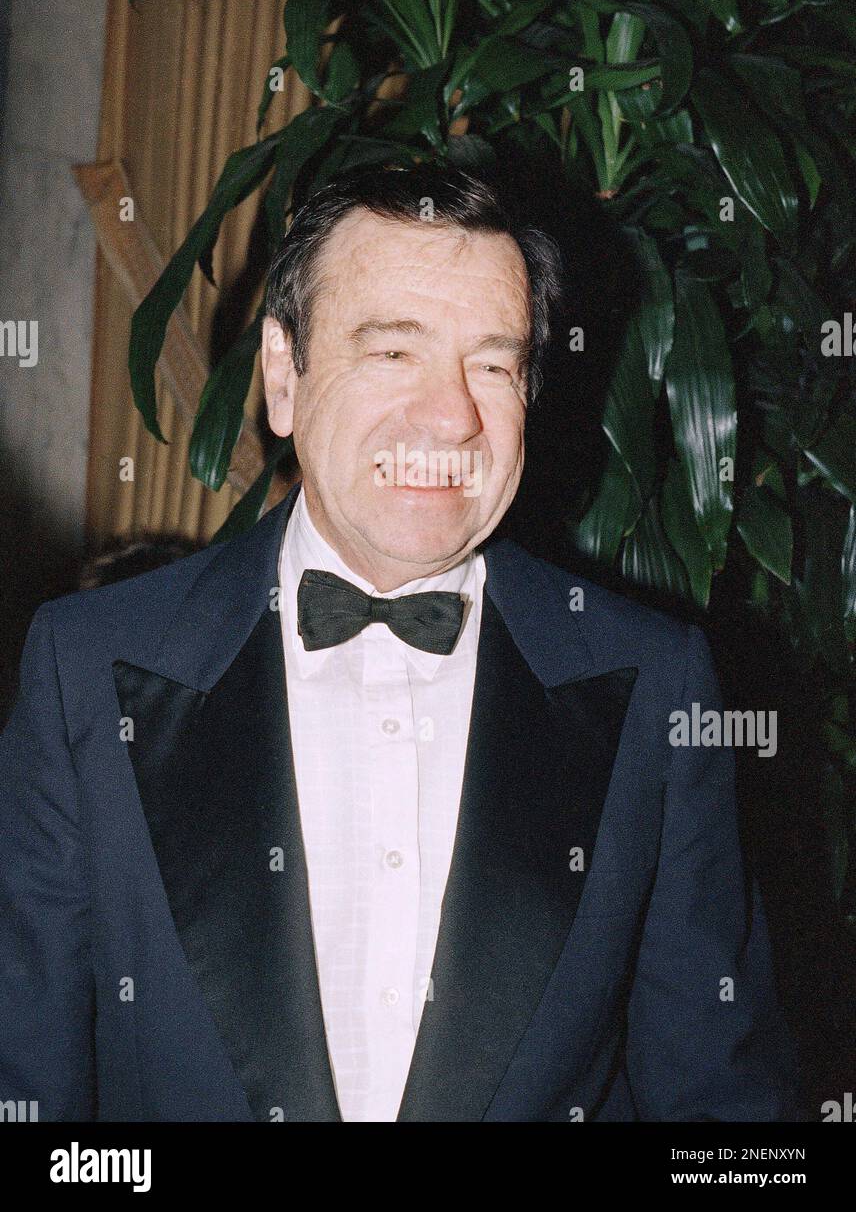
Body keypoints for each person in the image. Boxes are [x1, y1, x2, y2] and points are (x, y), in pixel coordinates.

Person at [0, 164, 802, 1122]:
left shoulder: (656, 687)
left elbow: (729, 1117)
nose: (451, 414)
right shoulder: (84, 666)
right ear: (283, 377)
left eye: (494, 364)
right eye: (393, 353)